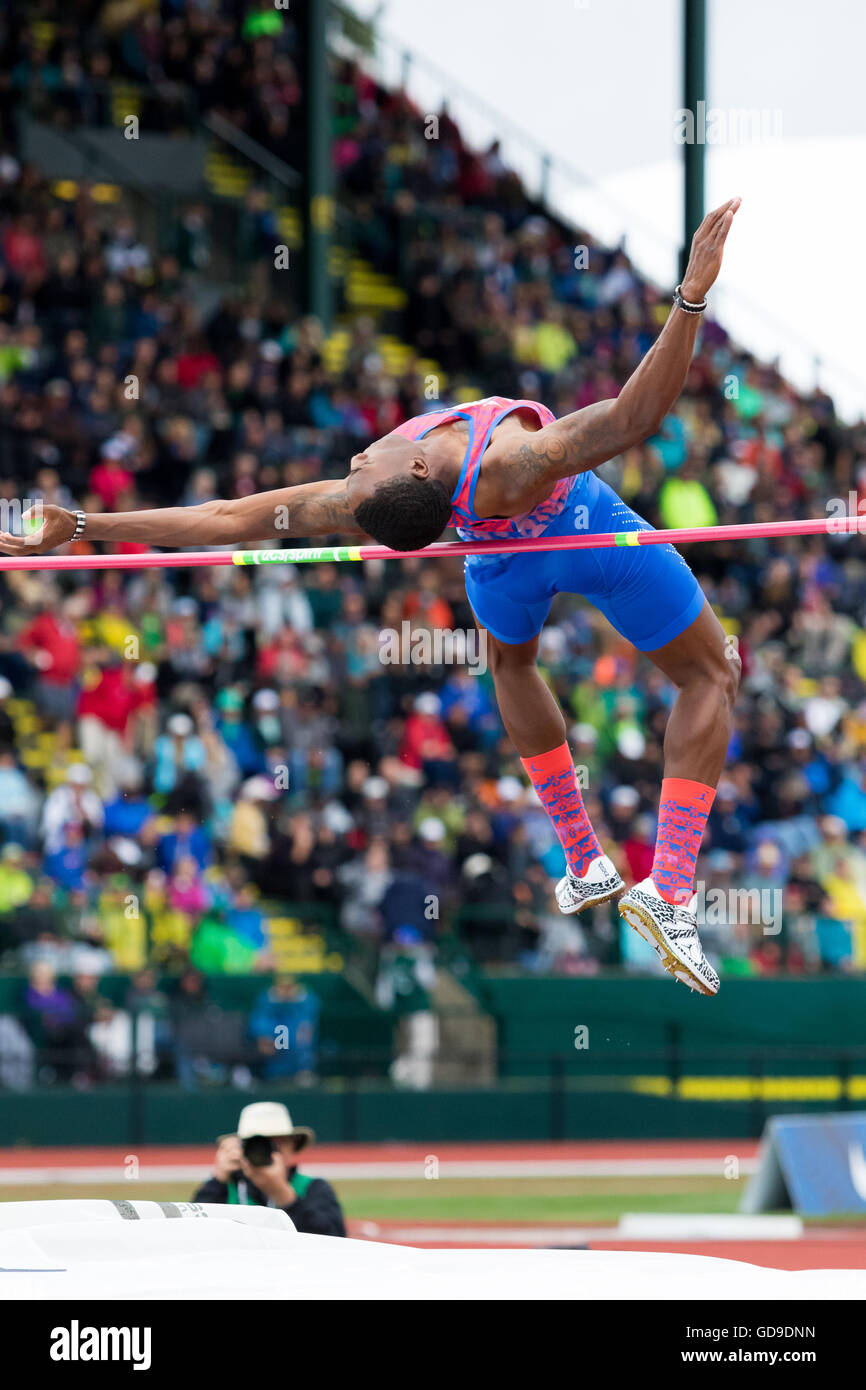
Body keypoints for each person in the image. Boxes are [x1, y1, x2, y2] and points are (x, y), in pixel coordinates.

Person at [2, 201, 741, 997]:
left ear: (421, 476)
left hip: (509, 554)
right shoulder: (491, 466)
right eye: (358, 474)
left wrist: (83, 523)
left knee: (511, 659)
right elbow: (636, 416)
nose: (355, 462)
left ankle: (595, 867)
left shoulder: (448, 473)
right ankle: (657, 889)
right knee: (709, 674)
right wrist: (690, 299)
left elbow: (224, 518)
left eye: (360, 471)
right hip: (575, 528)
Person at [192, 1101, 346, 1236]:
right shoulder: (226, 1189)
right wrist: (217, 1181)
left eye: (276, 1144)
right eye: (257, 1145)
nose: (266, 1151)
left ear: (292, 1145)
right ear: (240, 1148)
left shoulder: (313, 1189)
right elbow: (192, 1235)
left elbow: (333, 1242)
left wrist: (282, 1194)